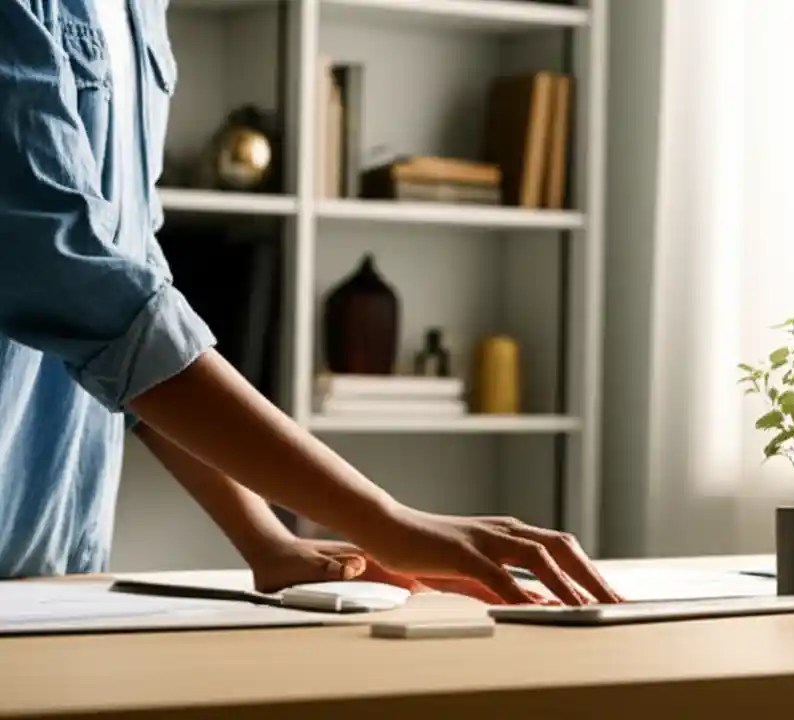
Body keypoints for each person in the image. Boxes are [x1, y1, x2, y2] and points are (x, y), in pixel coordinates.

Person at [0, 0, 620, 606]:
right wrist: (384, 520)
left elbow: (130, 313)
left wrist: (266, 538)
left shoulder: (143, 13)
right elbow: (74, 282)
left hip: (48, 571)